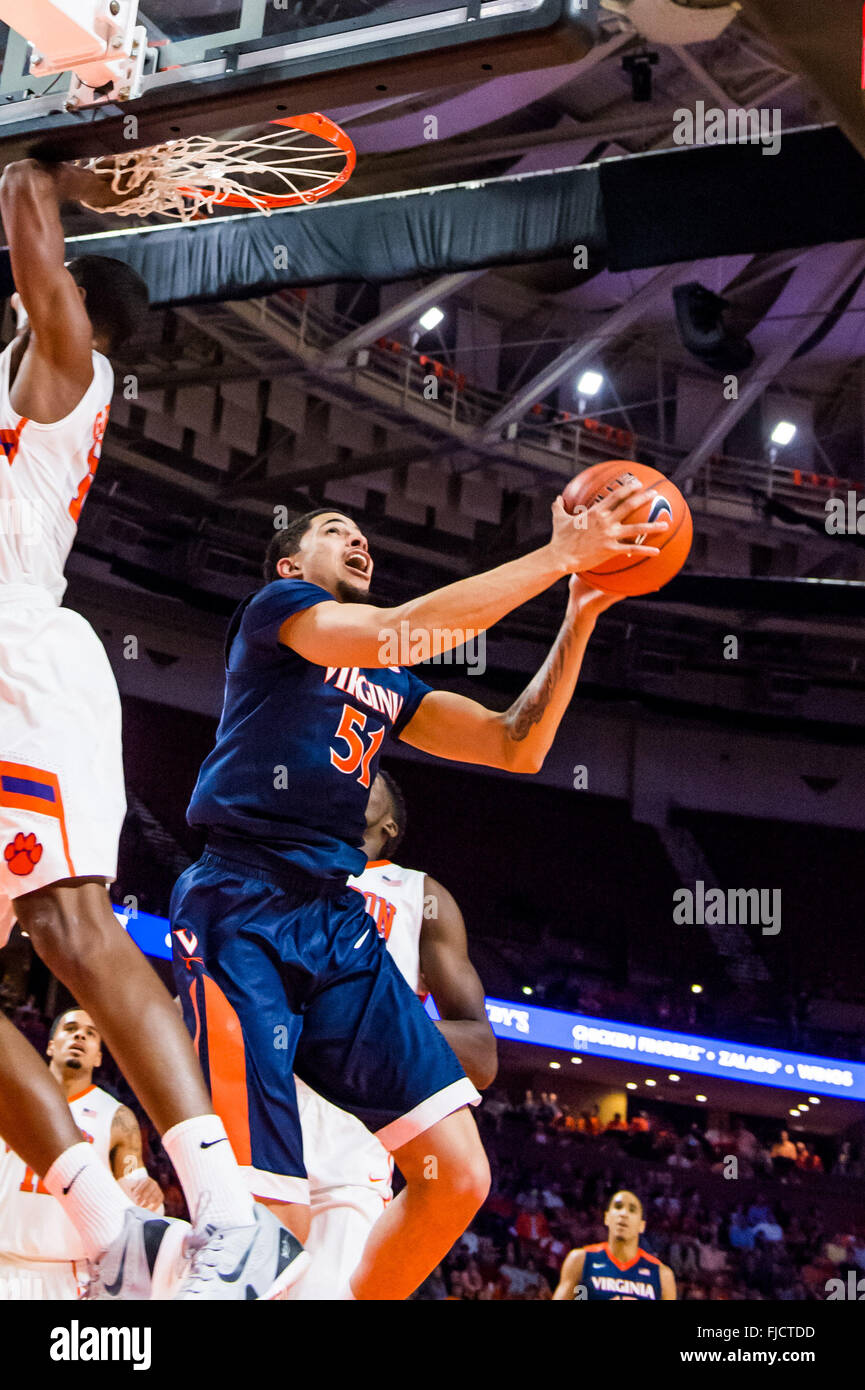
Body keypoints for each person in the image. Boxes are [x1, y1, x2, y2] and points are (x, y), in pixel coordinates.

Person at [171, 492, 664, 1299]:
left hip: (336, 919)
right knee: (267, 1218)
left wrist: (580, 607)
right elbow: (403, 627)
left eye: (362, 532)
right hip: (240, 904)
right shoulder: (280, 611)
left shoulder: (388, 683)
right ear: (293, 564)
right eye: (336, 531)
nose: (357, 538)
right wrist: (557, 555)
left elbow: (517, 744)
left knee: (458, 1176)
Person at [0, 157, 297, 1299]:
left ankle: (227, 1217)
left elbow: (24, 198)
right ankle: (104, 1220)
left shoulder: (68, 371)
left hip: (26, 661)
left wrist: (65, 168)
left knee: (70, 928)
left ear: (68, 305)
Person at [285, 770, 497, 1300]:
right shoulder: (282, 870)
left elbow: (480, 1052)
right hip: (256, 1149)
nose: (355, 770)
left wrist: (360, 1024)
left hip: (348, 1172)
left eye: (370, 773)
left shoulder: (419, 896)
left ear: (389, 824)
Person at [0, 1007, 177, 1298]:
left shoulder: (116, 1116)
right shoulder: (11, 1097)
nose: (80, 1034)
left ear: (98, 1057)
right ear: (50, 1045)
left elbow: (137, 1193)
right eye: (70, 1029)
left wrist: (150, 1194)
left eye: (90, 1033)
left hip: (65, 1274)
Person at [553, 1190, 676, 1301]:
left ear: (641, 1226)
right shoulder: (581, 1260)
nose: (623, 1214)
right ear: (607, 1217)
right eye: (618, 1207)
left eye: (632, 1210)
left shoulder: (661, 1274)